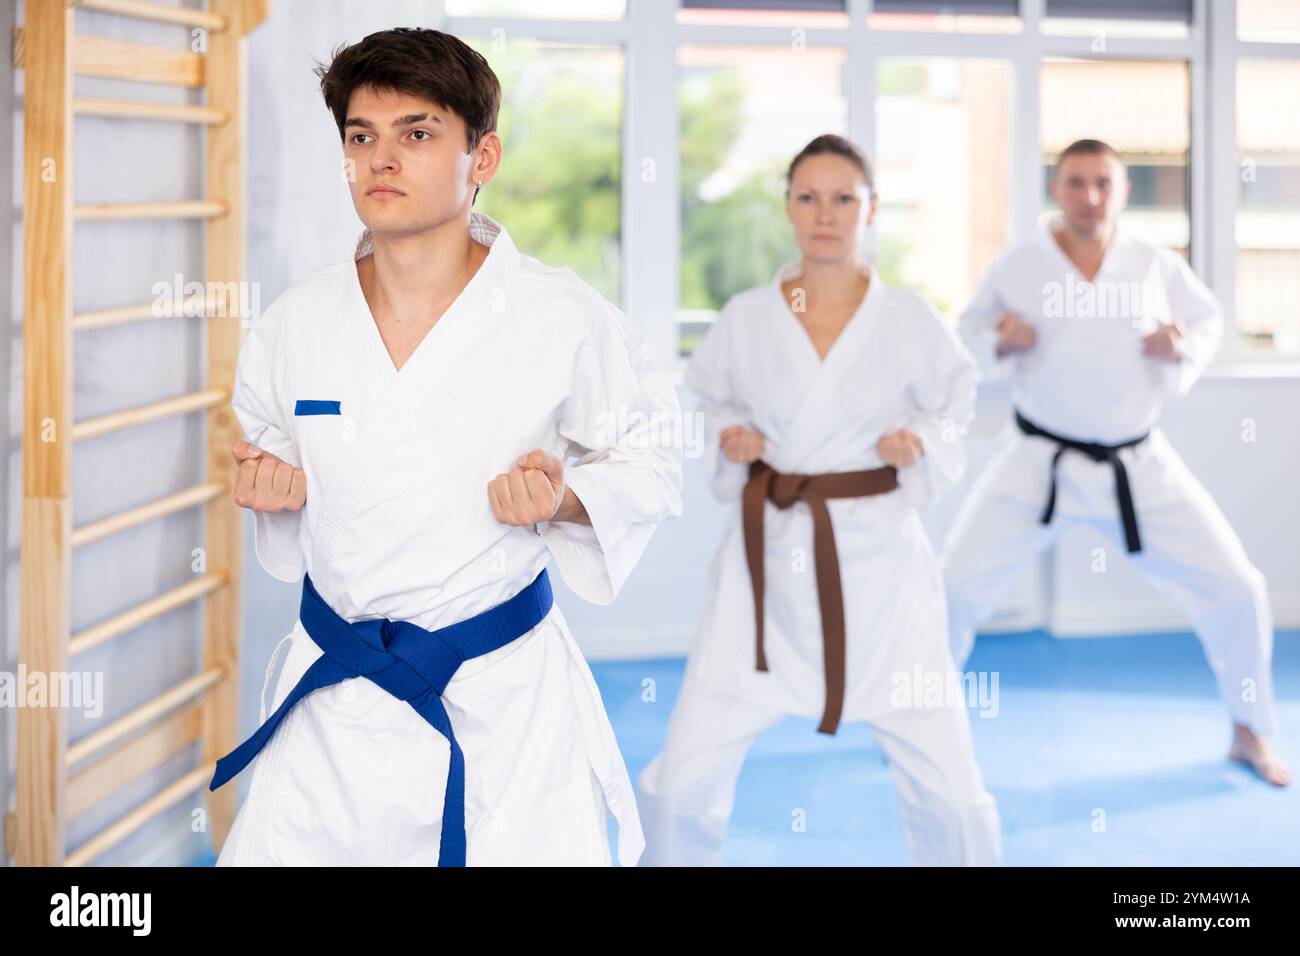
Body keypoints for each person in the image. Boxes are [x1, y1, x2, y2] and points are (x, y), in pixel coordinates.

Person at [208, 27, 684, 866]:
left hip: (499, 703)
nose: (381, 160)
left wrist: (566, 498)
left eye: (417, 134)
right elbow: (265, 446)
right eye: (362, 138)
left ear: (483, 156)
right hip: (335, 702)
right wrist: (273, 486)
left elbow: (650, 458)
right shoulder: (295, 322)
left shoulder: (560, 316)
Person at [636, 134, 1002, 866]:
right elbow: (706, 399)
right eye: (808, 197)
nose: (824, 214)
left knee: (954, 796)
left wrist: (920, 442)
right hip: (764, 568)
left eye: (844, 199)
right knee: (681, 783)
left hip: (883, 568)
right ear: (788, 209)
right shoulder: (747, 315)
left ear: (870, 210)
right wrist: (729, 434)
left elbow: (958, 405)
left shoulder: (908, 316)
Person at [940, 138, 1289, 787]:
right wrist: (1000, 341)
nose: (1091, 196)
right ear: (1057, 189)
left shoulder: (1152, 264)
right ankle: (926, 731)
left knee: (1239, 589)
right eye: (1077, 182)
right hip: (1036, 461)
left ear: (1123, 191)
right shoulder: (1019, 264)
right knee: (953, 587)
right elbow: (966, 338)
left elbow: (1208, 323)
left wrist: (1178, 347)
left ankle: (1251, 729)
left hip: (1137, 463)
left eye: (1104, 182)